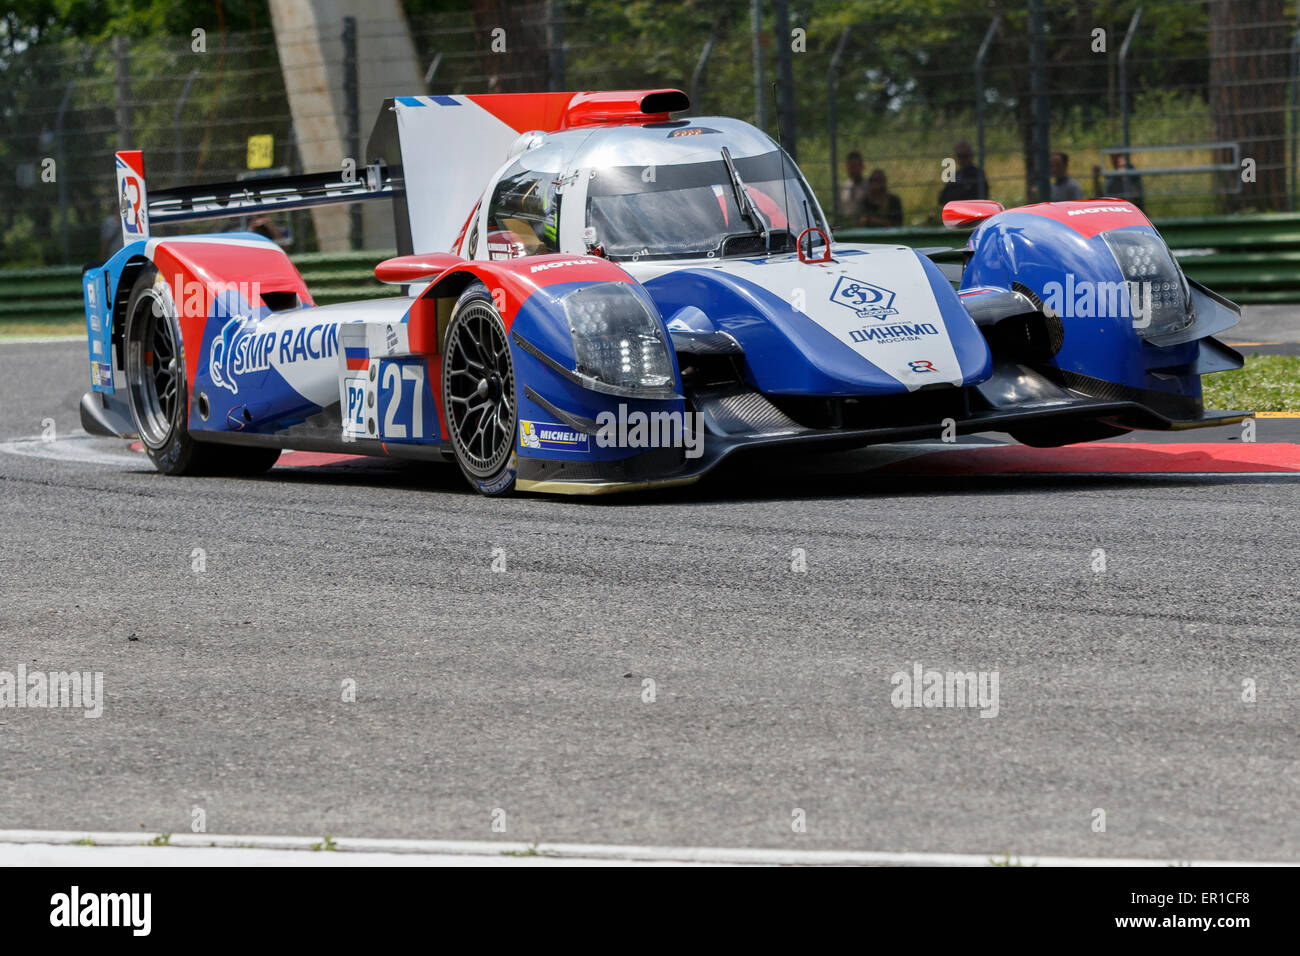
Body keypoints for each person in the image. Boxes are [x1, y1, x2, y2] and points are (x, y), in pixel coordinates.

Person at [937, 140, 989, 208]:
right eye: (959, 156)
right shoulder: (955, 175)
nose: (962, 159)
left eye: (965, 156)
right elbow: (943, 198)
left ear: (971, 156)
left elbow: (979, 196)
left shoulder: (977, 174)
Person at [840, 150, 870, 225]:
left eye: (855, 166)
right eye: (850, 166)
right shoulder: (844, 187)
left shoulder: (868, 186)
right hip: (847, 227)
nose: (852, 169)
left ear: (862, 166)